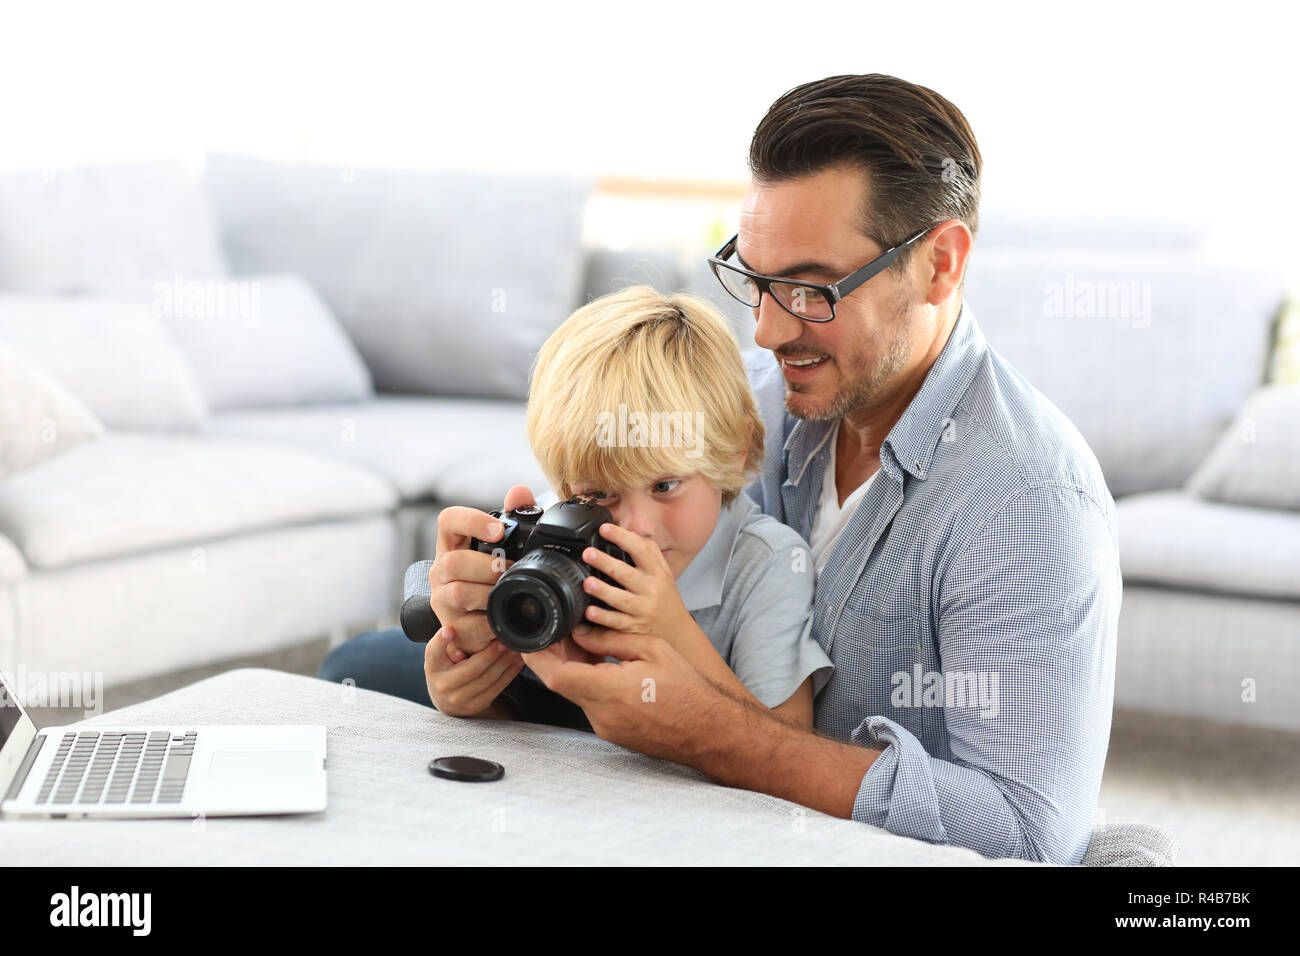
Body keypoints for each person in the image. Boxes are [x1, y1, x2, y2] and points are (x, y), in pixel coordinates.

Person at [326, 73, 1120, 866]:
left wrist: (709, 731)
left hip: (797, 807)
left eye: (810, 289)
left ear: (940, 265)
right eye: (753, 277)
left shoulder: (1029, 501)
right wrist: (479, 592)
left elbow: (1029, 834)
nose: (768, 331)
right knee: (368, 664)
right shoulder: (757, 398)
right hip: (644, 727)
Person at [323, 285, 832, 731]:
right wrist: (470, 697)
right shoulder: (558, 531)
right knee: (353, 665)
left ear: (736, 449)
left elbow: (785, 745)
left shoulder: (766, 566)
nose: (634, 527)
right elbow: (538, 719)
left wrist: (670, 631)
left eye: (665, 485)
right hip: (567, 729)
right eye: (600, 495)